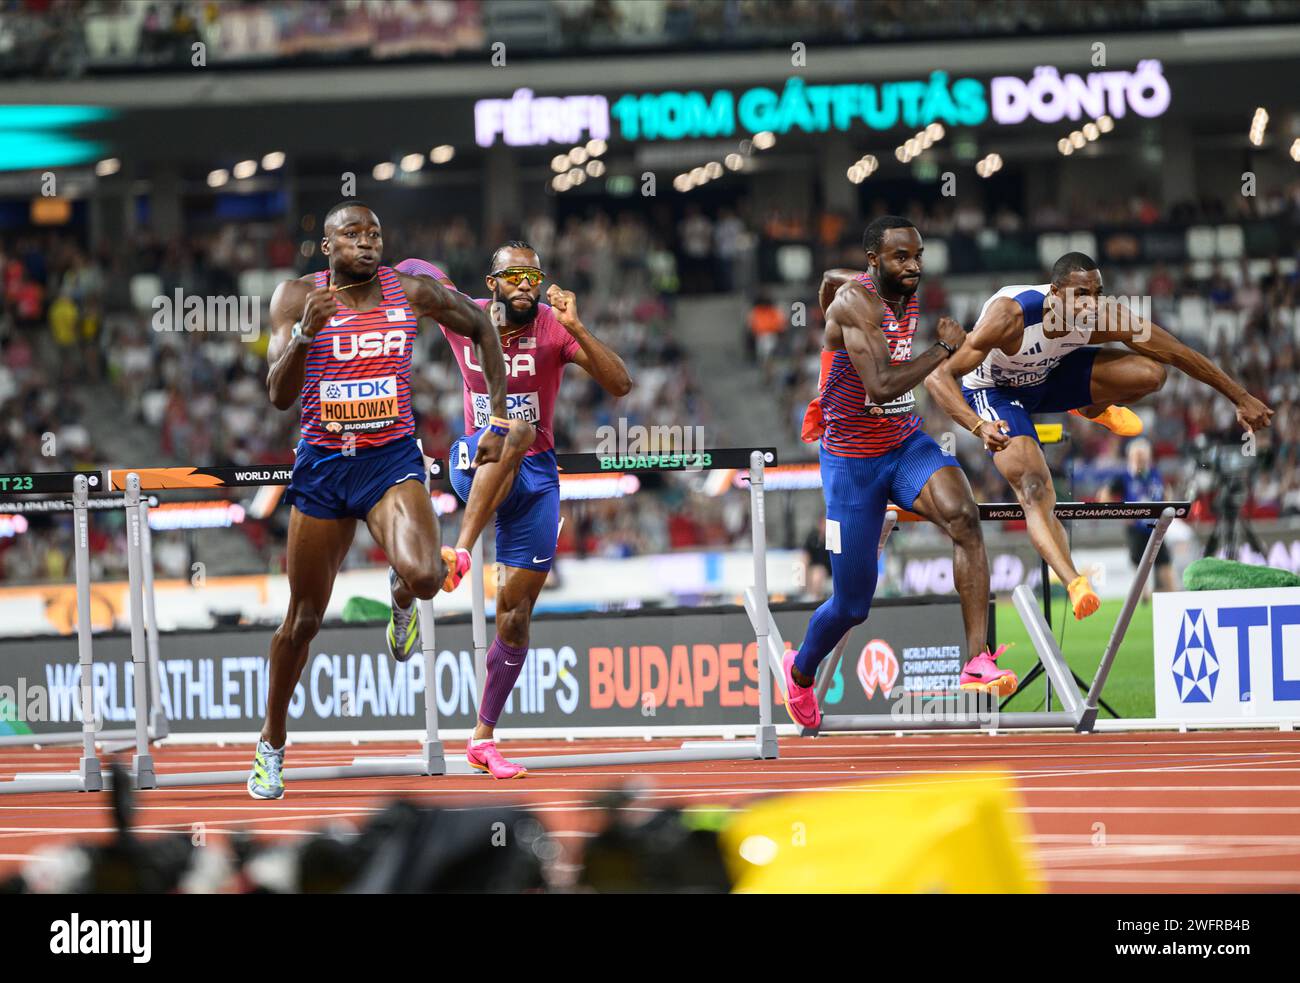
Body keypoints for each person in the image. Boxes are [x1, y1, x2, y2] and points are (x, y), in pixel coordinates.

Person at [247, 201, 509, 800]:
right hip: (323, 468)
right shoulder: (295, 297)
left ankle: (399, 597)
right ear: (327, 247)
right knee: (303, 620)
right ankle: (272, 742)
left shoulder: (410, 291)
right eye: (352, 235)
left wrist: (497, 415)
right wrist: (307, 333)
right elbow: (277, 395)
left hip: (389, 460)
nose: (367, 244)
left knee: (423, 577)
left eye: (375, 235)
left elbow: (482, 325)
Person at [924, 252, 1272, 620]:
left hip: (1050, 376)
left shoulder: (1107, 316)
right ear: (1055, 294)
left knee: (1152, 374)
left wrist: (1240, 397)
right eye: (1081, 294)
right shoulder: (1010, 317)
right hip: (995, 391)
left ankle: (1089, 407)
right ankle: (1075, 582)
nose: (1092, 303)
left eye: (1098, 292)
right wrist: (980, 426)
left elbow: (1178, 353)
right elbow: (938, 377)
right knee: (1033, 486)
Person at [396, 241, 630, 778]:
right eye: (514, 275)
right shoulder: (465, 315)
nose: (526, 284)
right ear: (492, 282)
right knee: (512, 431)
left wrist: (577, 328)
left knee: (516, 615)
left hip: (537, 479)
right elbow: (412, 266)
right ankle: (458, 551)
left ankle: (482, 740)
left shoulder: (552, 325)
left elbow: (620, 384)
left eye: (534, 276)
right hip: (473, 460)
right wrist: (382, 286)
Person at [785, 216, 1014, 733]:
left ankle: (976, 661)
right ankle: (799, 671)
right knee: (852, 605)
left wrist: (828, 355)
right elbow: (884, 384)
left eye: (917, 256)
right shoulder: (854, 305)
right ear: (874, 261)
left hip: (904, 442)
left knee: (965, 516)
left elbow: (825, 279)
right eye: (900, 258)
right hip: (850, 464)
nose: (913, 266)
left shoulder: (889, 289)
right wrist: (944, 351)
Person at [1109, 438, 1177, 599]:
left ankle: (1171, 596)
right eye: (1138, 456)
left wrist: (1167, 510)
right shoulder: (1124, 476)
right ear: (1130, 457)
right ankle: (1142, 597)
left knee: (1164, 563)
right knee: (1139, 567)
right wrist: (1122, 514)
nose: (1141, 460)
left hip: (1156, 527)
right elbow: (1106, 494)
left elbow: (1165, 492)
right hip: (1136, 529)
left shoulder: (1154, 473)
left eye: (1144, 456)